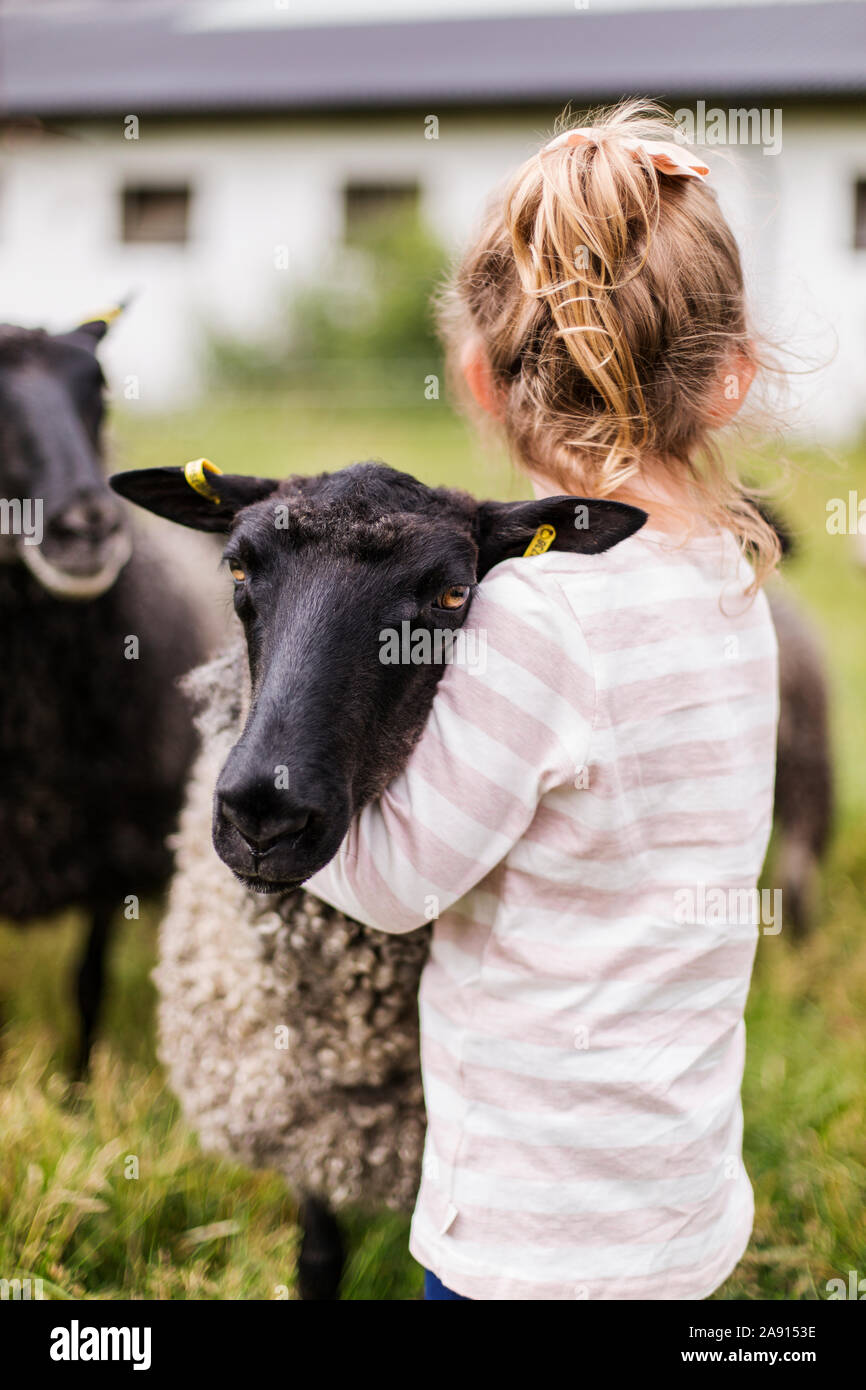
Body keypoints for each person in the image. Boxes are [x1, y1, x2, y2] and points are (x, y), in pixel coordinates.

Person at [306, 101, 780, 1300]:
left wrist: (276, 792)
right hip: (675, 1206)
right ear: (729, 376)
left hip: (529, 1238)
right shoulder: (733, 574)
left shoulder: (535, 617)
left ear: (474, 371)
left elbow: (398, 877)